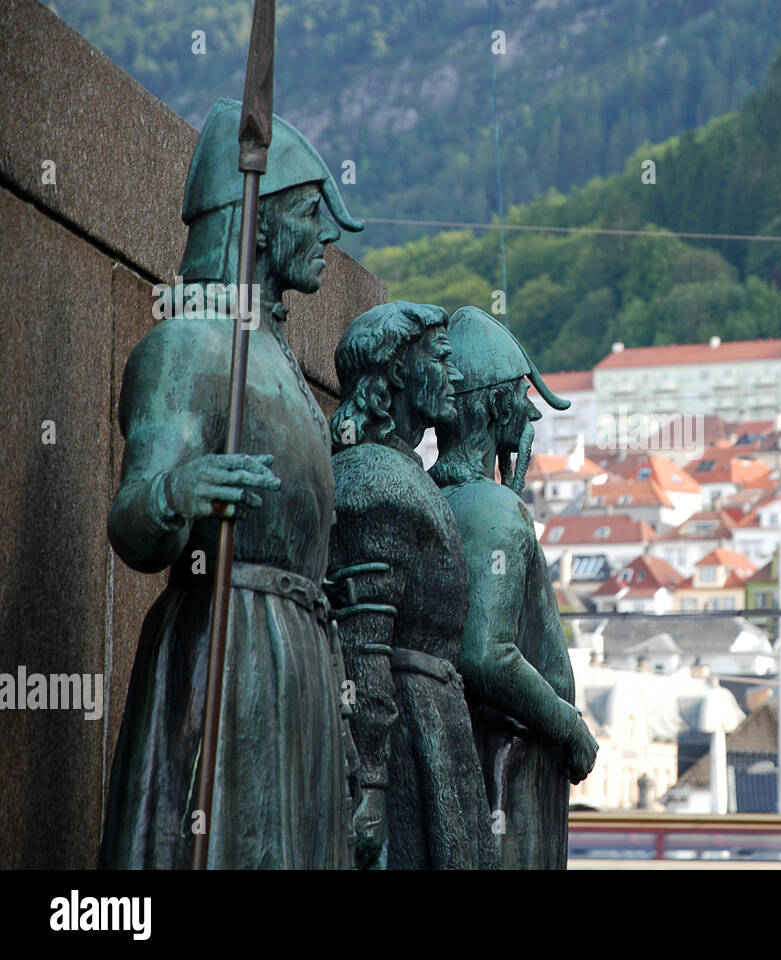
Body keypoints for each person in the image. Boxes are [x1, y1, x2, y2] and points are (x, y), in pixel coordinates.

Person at [101, 99, 362, 869]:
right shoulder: (189, 346)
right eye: (310, 214)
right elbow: (132, 520)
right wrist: (178, 492)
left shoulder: (275, 357)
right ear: (260, 225)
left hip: (297, 663)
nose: (327, 237)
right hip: (230, 646)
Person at [326, 301, 499, 869]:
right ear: (399, 369)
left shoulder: (403, 473)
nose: (455, 375)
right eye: (441, 359)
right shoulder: (375, 478)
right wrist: (371, 781)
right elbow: (364, 644)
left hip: (430, 726)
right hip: (407, 736)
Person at [431, 306, 598, 869]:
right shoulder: (493, 509)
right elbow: (487, 655)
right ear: (495, 405)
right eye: (520, 396)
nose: (530, 412)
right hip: (509, 768)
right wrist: (568, 726)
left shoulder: (442, 497)